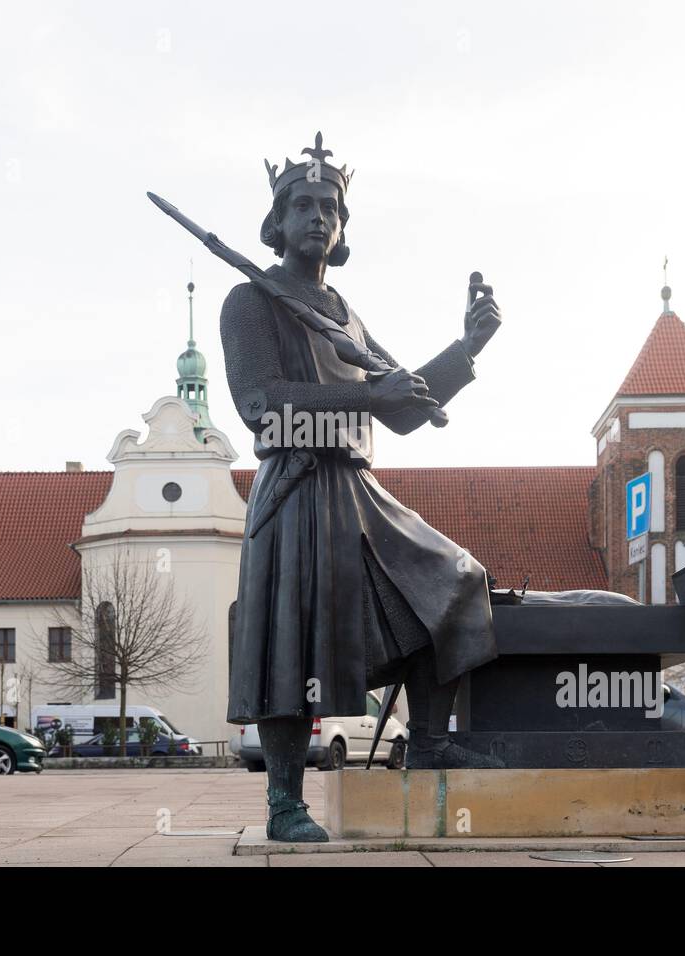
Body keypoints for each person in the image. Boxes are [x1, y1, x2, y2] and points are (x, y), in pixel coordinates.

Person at [221, 134, 506, 843]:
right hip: (295, 489)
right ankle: (285, 803)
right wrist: (365, 399)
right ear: (279, 221)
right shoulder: (250, 300)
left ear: (343, 227)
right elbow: (261, 401)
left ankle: (431, 744)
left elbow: (405, 407)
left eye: (331, 207)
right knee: (290, 643)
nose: (318, 217)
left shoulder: (345, 312)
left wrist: (467, 348)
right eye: (304, 205)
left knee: (448, 584)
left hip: (357, 489)